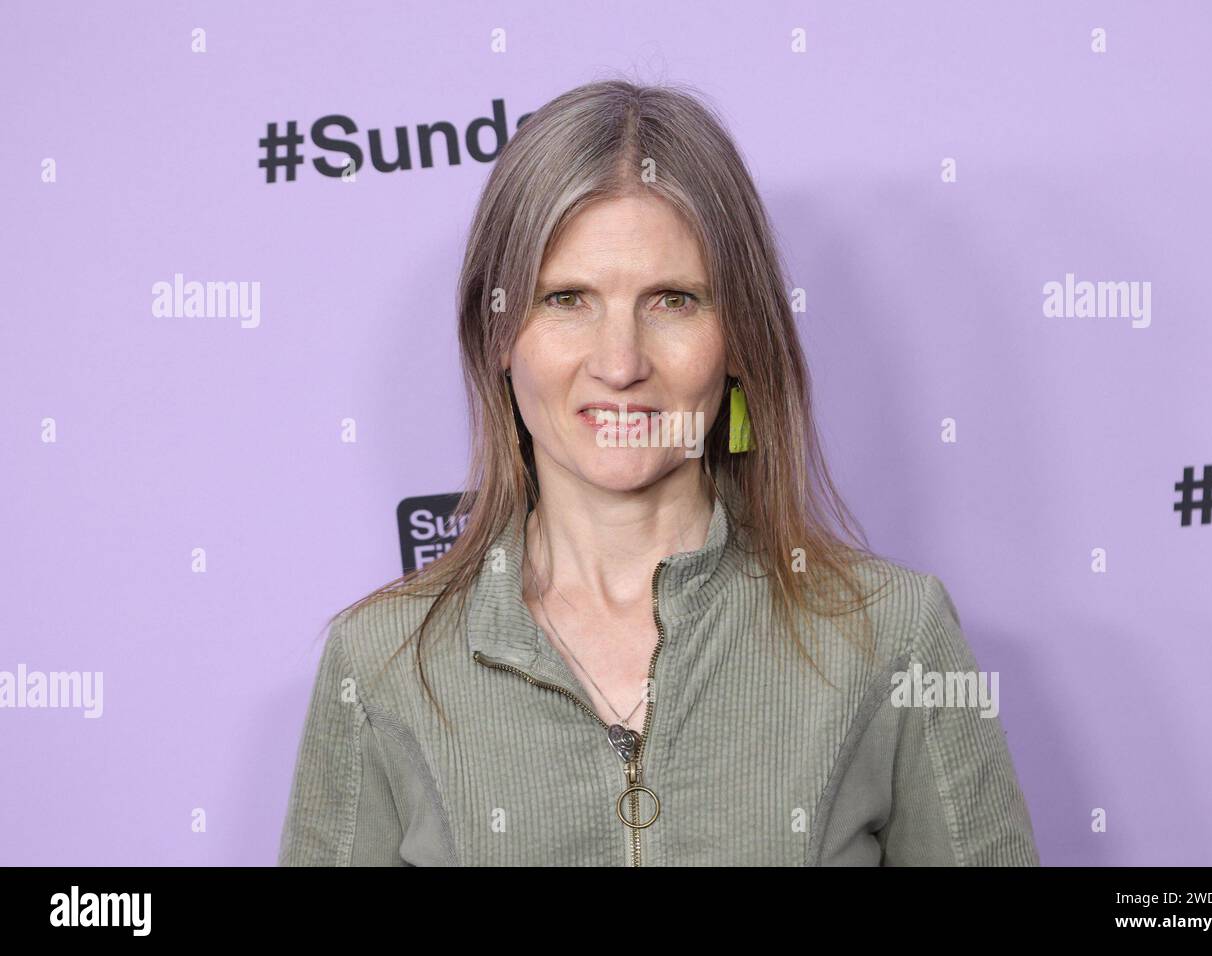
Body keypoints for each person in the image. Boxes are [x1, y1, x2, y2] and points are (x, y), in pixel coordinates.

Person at [277, 78, 1039, 866]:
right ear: (500, 335)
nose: (620, 363)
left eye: (672, 300)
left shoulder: (893, 635)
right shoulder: (381, 662)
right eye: (567, 299)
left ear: (741, 335)